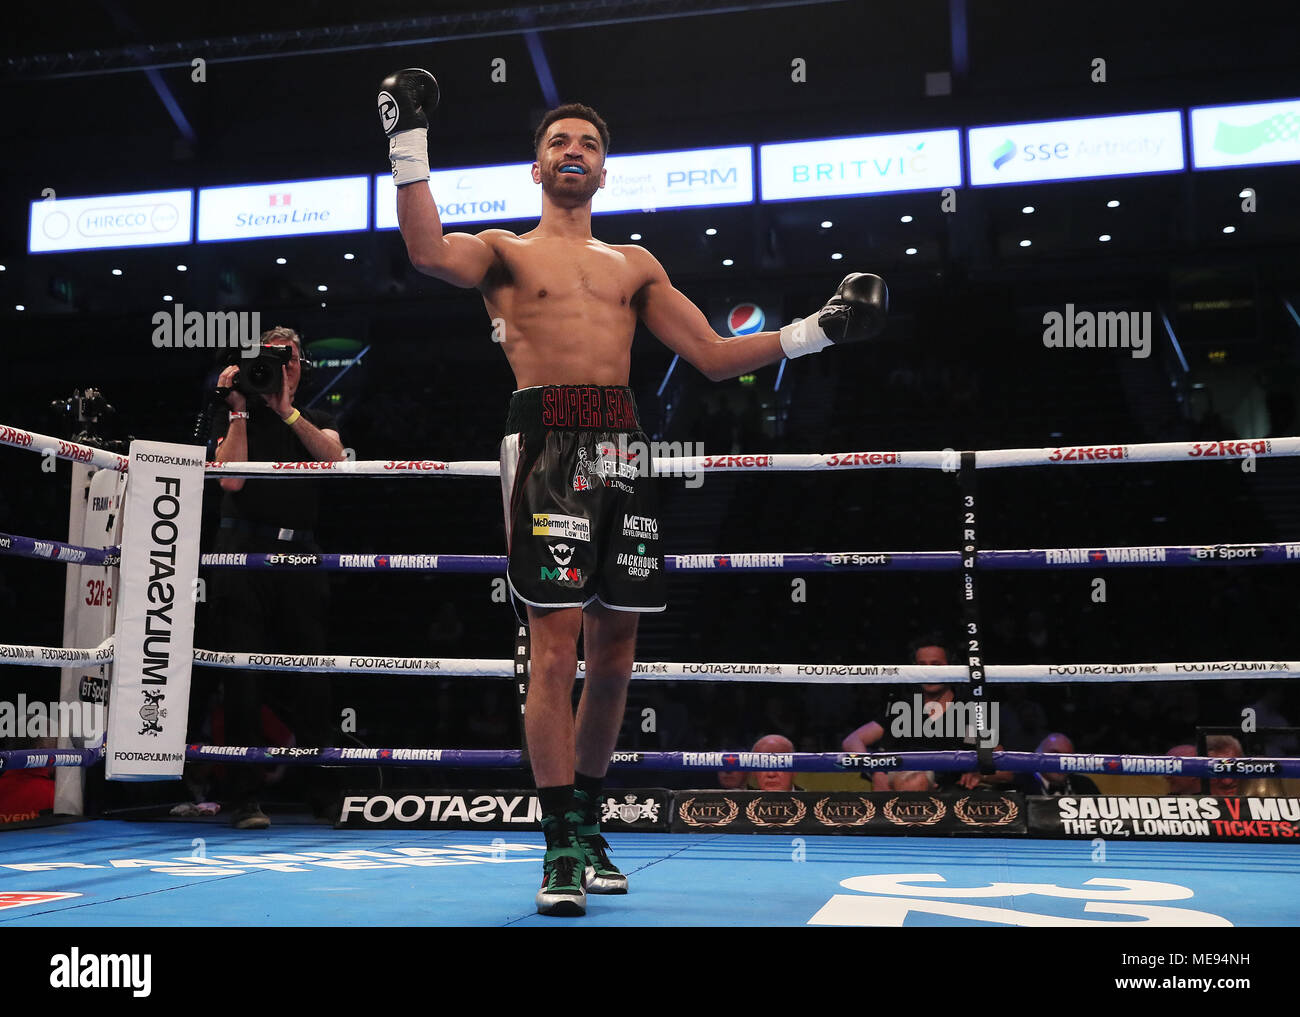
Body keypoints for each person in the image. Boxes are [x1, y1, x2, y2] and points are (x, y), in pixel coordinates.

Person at [379, 72, 887, 915]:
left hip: (624, 444)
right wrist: (408, 141)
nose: (573, 152)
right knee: (553, 651)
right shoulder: (505, 249)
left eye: (588, 145)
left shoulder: (636, 263)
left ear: (605, 172)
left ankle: (586, 819)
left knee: (614, 661)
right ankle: (557, 846)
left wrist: (818, 331)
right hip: (546, 438)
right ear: (536, 168)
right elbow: (428, 250)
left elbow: (715, 355)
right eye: (558, 143)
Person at [206, 326, 346, 829]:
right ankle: (243, 797)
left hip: (301, 555)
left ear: (302, 365)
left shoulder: (316, 419)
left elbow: (335, 462)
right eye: (269, 359)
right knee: (242, 674)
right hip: (243, 549)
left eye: (287, 359)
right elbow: (231, 479)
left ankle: (323, 792)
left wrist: (286, 408)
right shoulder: (228, 412)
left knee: (312, 673)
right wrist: (240, 408)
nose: (279, 367)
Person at [1010, 733, 1100, 796]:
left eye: (1067, 756)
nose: (1061, 761)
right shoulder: (1019, 784)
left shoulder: (1085, 784)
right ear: (1038, 757)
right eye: (1054, 755)